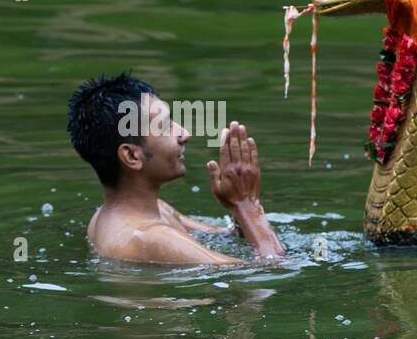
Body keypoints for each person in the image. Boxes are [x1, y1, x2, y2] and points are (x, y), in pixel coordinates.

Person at [66, 73, 286, 264]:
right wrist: (248, 205)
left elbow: (229, 238)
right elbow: (271, 270)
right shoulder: (148, 238)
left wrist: (236, 207)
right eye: (165, 126)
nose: (184, 134)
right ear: (132, 155)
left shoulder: (143, 211)